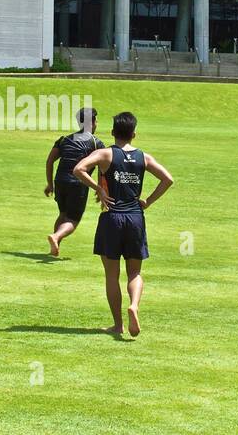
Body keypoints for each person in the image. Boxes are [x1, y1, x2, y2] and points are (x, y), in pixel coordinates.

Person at [73, 112, 174, 338]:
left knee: (111, 275)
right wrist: (148, 200)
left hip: (112, 218)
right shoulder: (144, 158)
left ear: (112, 132)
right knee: (135, 272)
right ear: (134, 134)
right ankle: (134, 306)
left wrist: (98, 188)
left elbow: (78, 169)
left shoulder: (105, 154)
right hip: (135, 218)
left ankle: (118, 325)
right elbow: (168, 179)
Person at [44, 107, 104, 256]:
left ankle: (55, 244)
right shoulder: (96, 144)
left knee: (63, 213)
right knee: (73, 219)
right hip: (78, 184)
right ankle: (56, 236)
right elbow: (103, 168)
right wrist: (100, 187)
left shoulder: (64, 139)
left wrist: (50, 183)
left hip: (60, 181)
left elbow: (50, 161)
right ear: (92, 122)